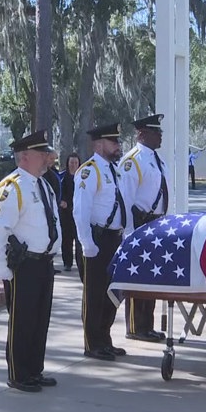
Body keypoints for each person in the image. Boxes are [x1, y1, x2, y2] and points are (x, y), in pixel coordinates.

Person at [0, 130, 62, 392]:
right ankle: (19, 374)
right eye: (42, 154)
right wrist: (1, 267)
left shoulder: (43, 184)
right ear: (25, 157)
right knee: (23, 321)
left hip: (44, 262)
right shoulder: (13, 187)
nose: (47, 157)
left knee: (40, 319)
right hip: (24, 266)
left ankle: (34, 369)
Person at [73, 122, 131, 361]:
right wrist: (86, 242)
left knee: (111, 293)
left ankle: (105, 339)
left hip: (114, 239)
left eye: (117, 141)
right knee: (95, 293)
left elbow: (122, 203)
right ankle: (93, 343)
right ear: (99, 144)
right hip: (97, 240)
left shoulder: (114, 169)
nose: (118, 145)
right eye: (113, 141)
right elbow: (80, 210)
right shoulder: (90, 171)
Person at [119, 114, 169, 343]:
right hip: (139, 224)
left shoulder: (157, 159)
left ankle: (147, 325)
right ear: (142, 134)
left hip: (156, 224)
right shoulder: (133, 160)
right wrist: (128, 233)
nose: (160, 135)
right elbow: (126, 199)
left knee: (152, 276)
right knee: (138, 275)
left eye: (160, 132)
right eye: (156, 132)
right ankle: (135, 325)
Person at [59, 152, 82, 274]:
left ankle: (80, 263)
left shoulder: (84, 177)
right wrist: (62, 202)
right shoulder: (62, 177)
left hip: (79, 213)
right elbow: (57, 193)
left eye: (76, 163)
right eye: (71, 163)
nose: (73, 165)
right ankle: (67, 262)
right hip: (66, 214)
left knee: (79, 240)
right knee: (66, 240)